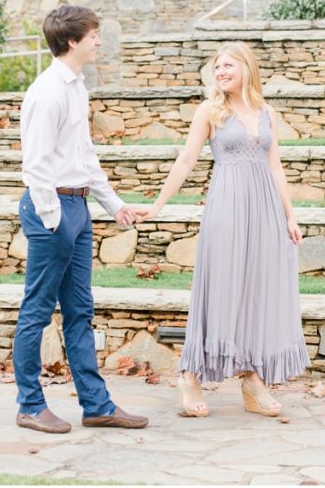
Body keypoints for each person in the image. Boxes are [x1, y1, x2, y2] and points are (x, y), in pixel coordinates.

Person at [132, 41, 309, 417]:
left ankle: (252, 379)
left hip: (265, 210)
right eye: (217, 67)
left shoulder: (266, 112)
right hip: (227, 206)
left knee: (258, 290)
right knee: (222, 288)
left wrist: (290, 215)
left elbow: (275, 165)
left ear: (247, 68)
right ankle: (190, 375)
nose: (222, 72)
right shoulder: (210, 111)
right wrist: (158, 204)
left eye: (228, 65)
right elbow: (186, 160)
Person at [13, 4, 148, 433]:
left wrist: (114, 205)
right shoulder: (47, 91)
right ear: (73, 41)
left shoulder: (76, 86)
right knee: (36, 311)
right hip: (51, 208)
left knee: (79, 310)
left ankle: (96, 406)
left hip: (78, 205)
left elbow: (83, 155)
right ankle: (30, 406)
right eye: (94, 35)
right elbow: (35, 164)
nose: (99, 41)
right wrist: (52, 219)